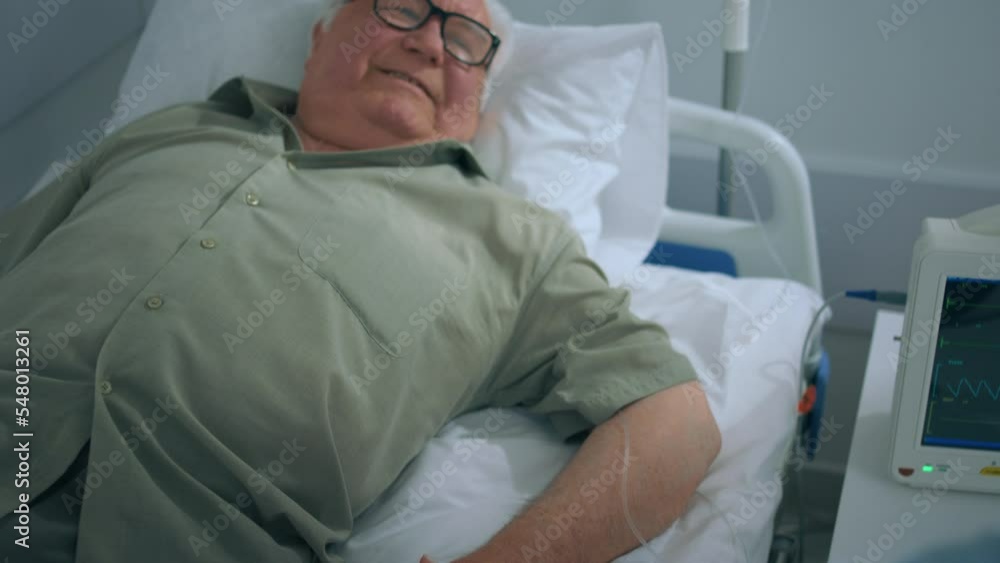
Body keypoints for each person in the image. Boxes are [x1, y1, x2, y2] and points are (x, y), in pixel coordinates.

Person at [0, 0, 720, 561]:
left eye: (466, 41)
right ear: (321, 38)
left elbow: (674, 420)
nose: (430, 41)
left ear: (479, 104)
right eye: (400, 8)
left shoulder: (516, 247)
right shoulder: (170, 129)